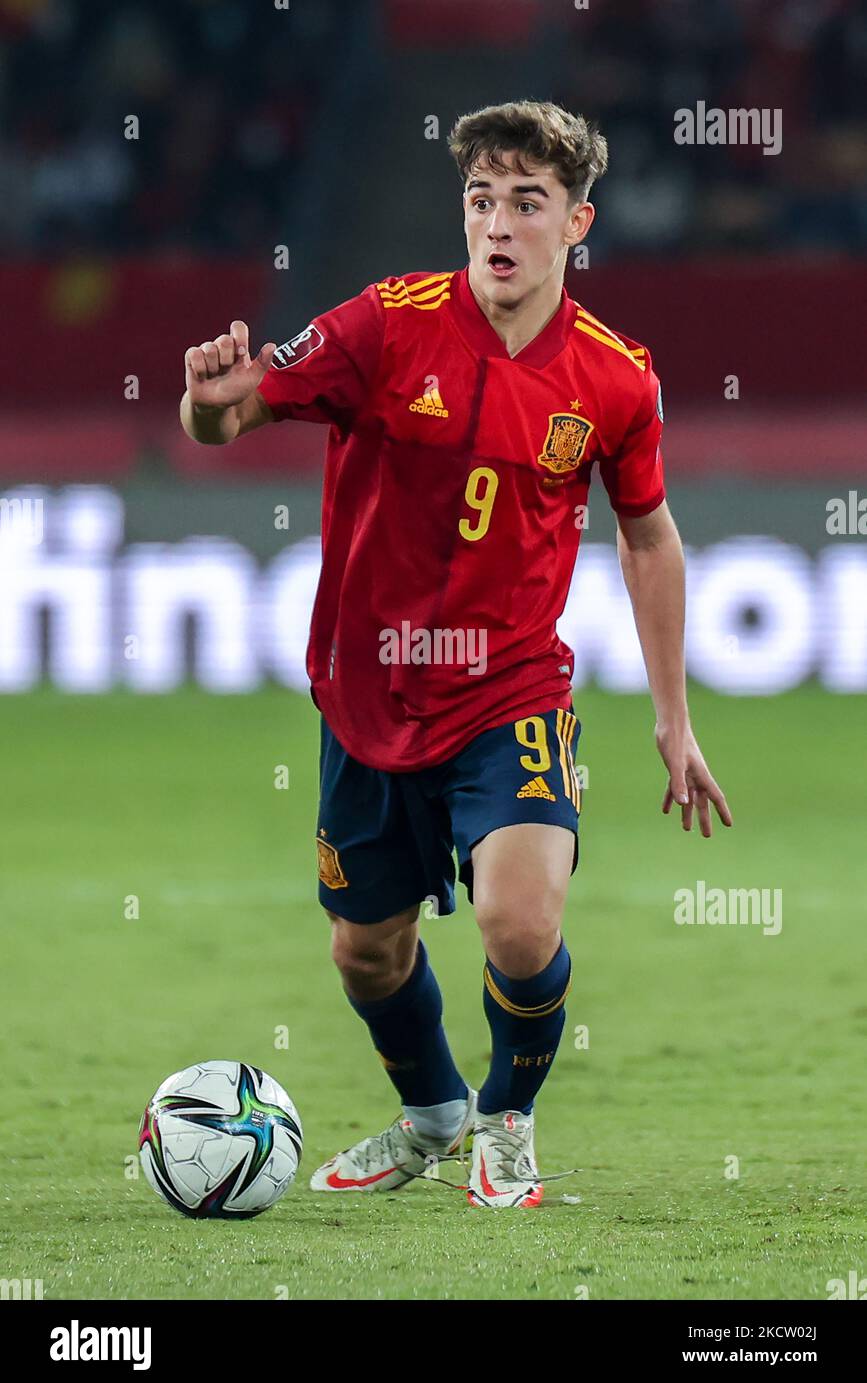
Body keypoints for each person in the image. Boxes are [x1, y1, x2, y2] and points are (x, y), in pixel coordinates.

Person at [180, 100, 731, 1208]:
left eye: (528, 204)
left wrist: (676, 719)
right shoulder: (385, 325)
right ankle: (431, 1110)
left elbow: (649, 537)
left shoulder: (617, 379)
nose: (499, 225)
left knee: (518, 922)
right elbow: (230, 420)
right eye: (482, 200)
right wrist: (203, 401)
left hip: (511, 688)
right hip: (367, 690)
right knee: (365, 953)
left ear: (578, 222)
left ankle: (508, 1117)